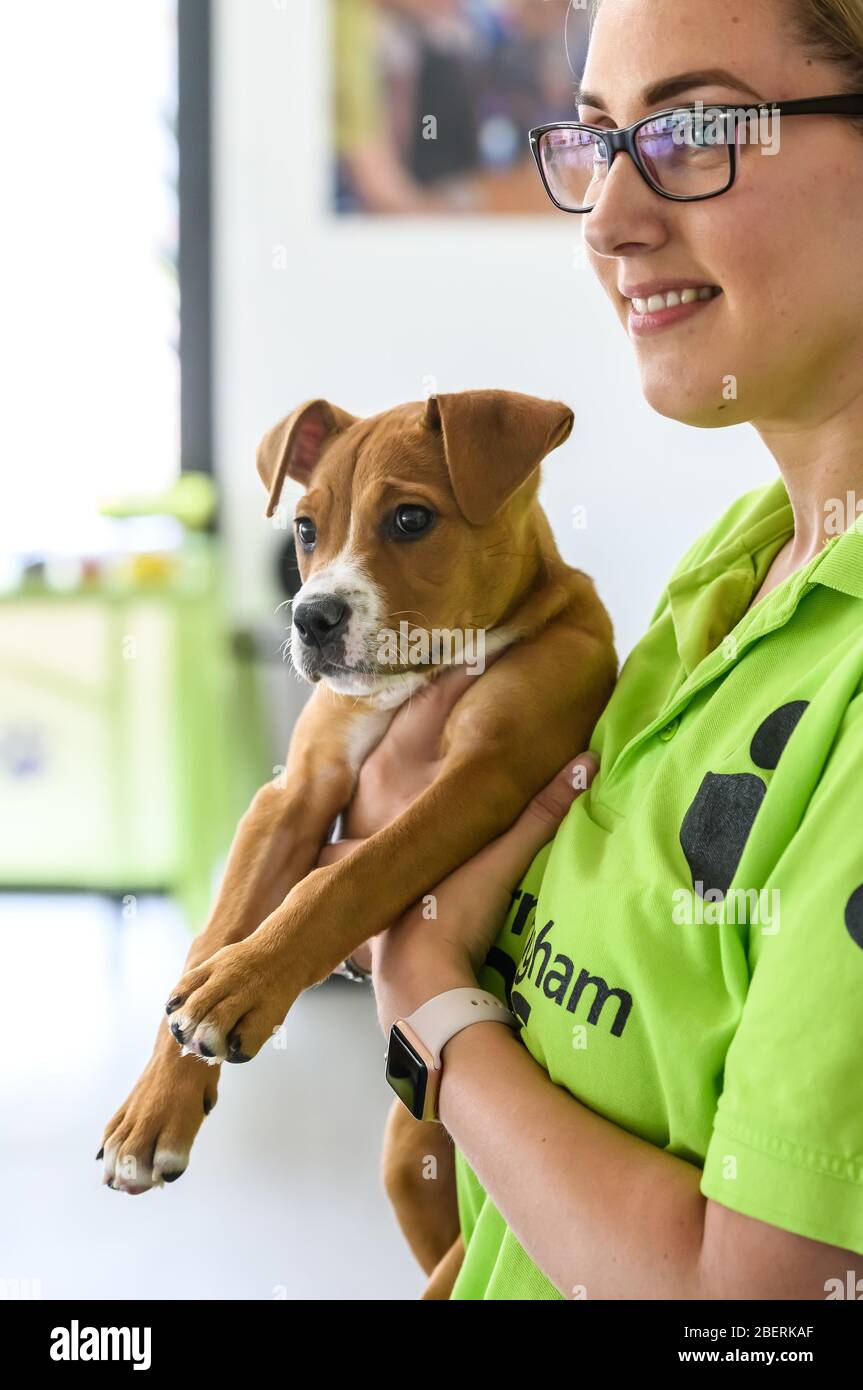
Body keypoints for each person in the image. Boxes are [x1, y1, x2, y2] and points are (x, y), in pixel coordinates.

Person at [322, 0, 863, 1299]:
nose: (608, 221)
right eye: (599, 138)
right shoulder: (736, 567)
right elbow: (605, 1022)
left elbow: (748, 1302)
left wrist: (431, 1002)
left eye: (690, 130)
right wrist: (425, 890)